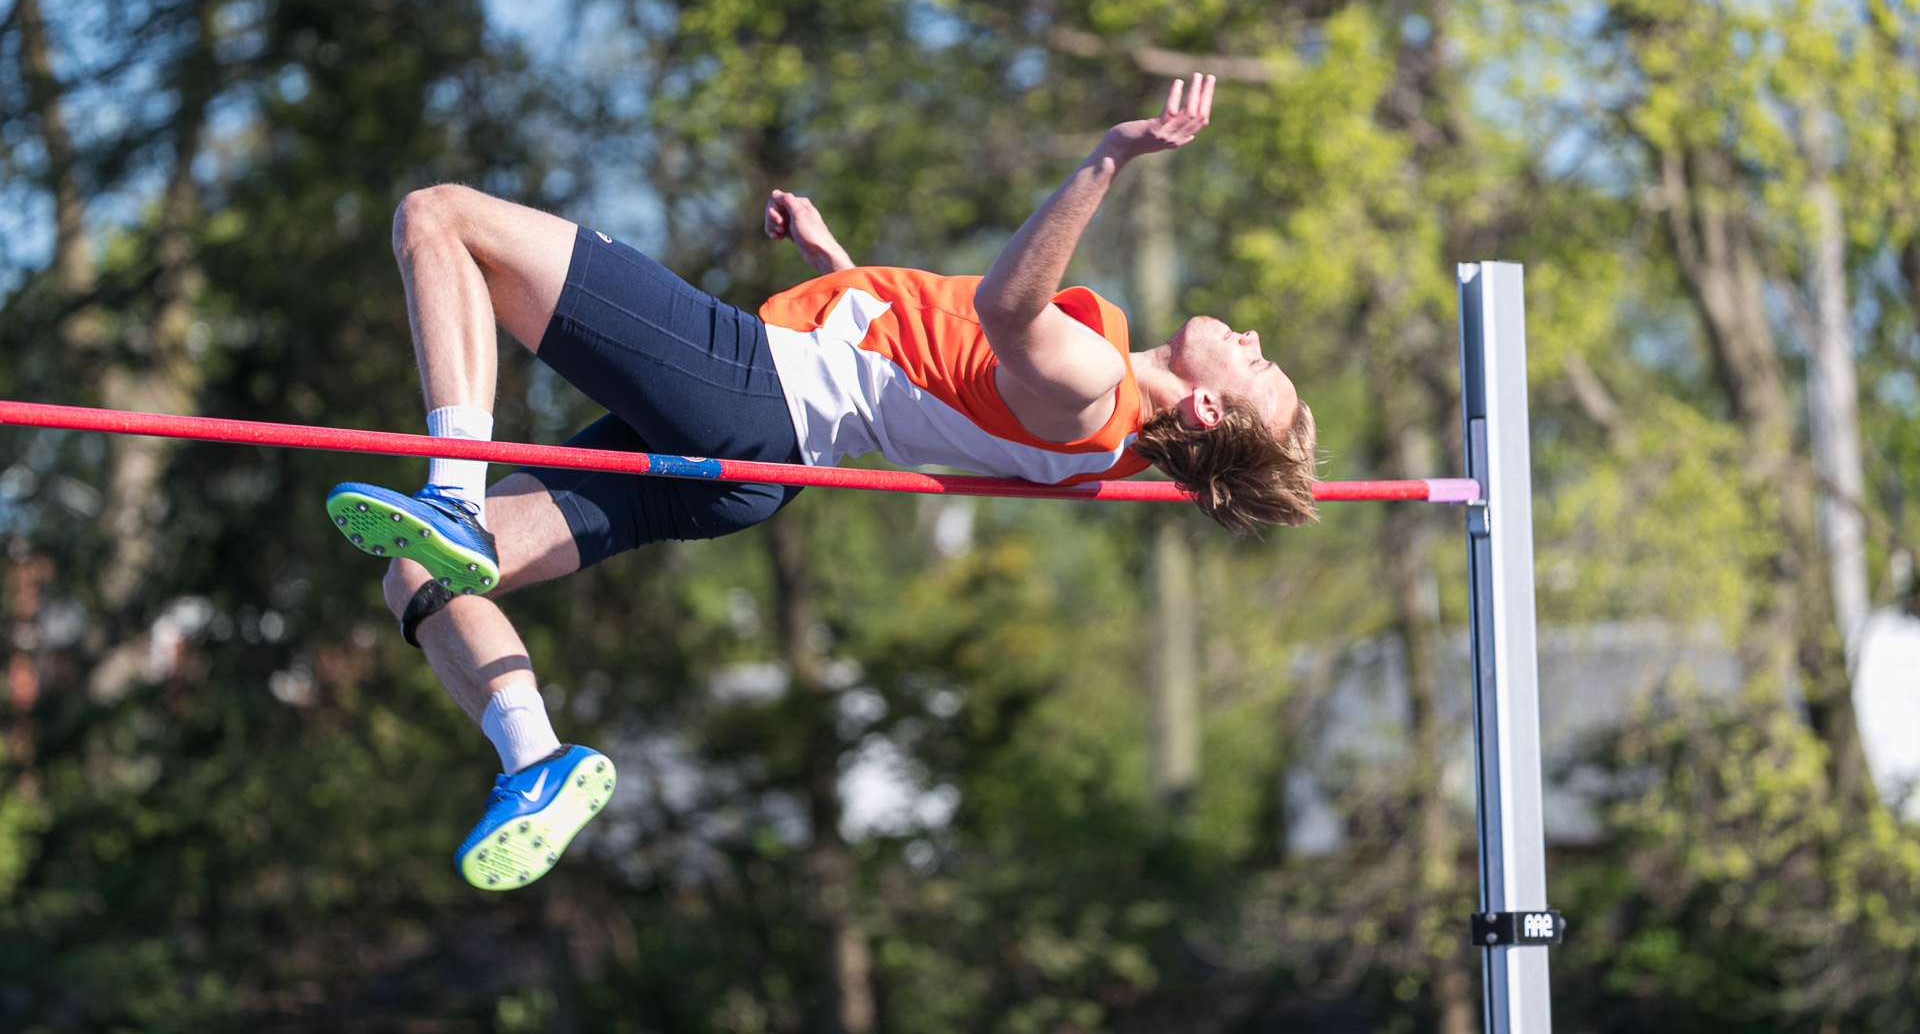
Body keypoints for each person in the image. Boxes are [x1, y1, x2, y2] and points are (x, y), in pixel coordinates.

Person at [324, 74, 1316, 889]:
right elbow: (934, 377)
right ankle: (535, 760)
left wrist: (1110, 156)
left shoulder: (1094, 386)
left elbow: (1007, 305)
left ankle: (453, 491)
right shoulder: (1102, 439)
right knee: (418, 577)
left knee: (440, 216)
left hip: (750, 389)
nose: (1253, 337)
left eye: (1259, 367)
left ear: (1204, 410)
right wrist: (838, 271)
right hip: (769, 458)